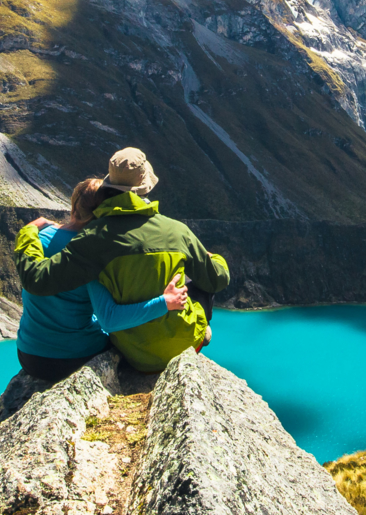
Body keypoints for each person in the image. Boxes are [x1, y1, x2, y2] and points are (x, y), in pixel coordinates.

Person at [14, 148, 231, 373]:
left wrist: (28, 231)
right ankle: (198, 332)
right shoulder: (178, 230)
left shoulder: (94, 238)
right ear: (146, 185)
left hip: (123, 353)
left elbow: (38, 280)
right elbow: (217, 279)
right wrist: (213, 259)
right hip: (175, 344)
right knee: (203, 284)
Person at [15, 178, 188, 382]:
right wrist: (165, 302)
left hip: (28, 356)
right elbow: (110, 318)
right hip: (71, 359)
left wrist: (35, 225)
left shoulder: (41, 235)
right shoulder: (92, 252)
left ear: (74, 206)